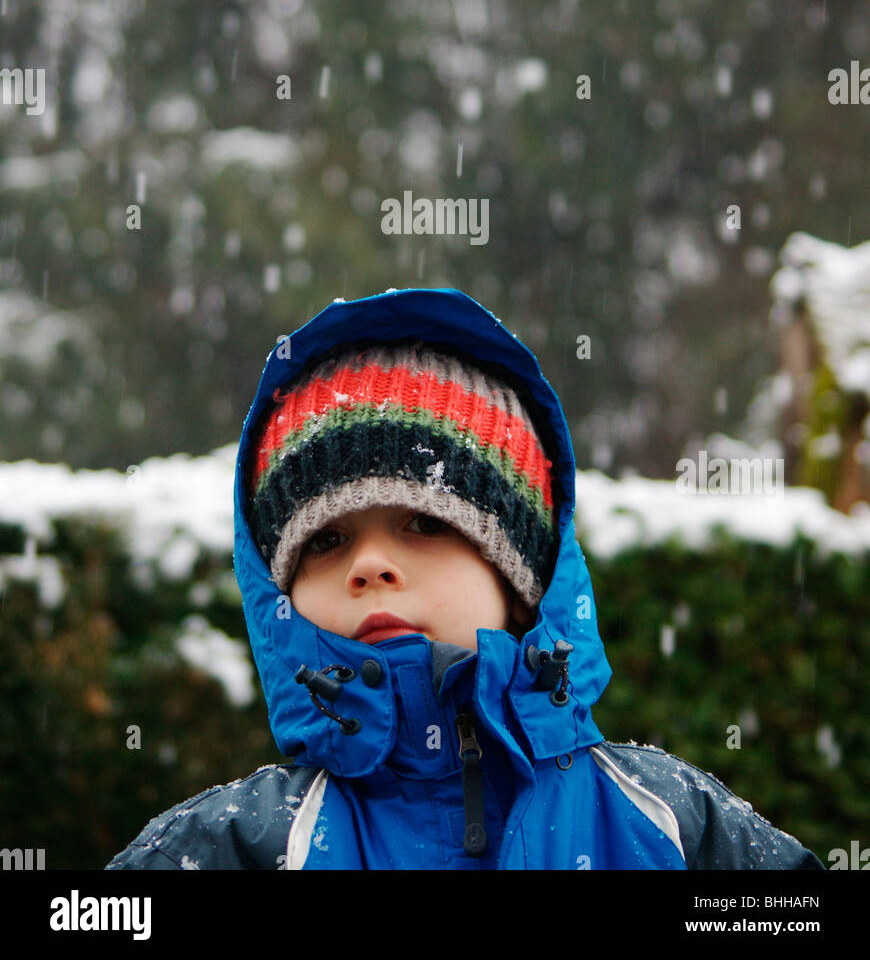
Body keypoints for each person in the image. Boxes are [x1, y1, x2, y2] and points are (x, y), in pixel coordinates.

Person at [106, 286, 825, 870]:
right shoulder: (238, 846)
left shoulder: (664, 824)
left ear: (521, 578)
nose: (368, 565)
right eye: (325, 540)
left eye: (425, 524)